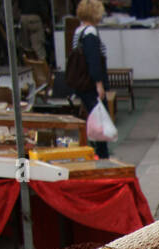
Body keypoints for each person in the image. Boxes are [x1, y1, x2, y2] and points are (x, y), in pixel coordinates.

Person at [73, 0, 111, 159]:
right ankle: (102, 154)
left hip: (82, 82)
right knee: (100, 117)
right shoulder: (90, 34)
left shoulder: (79, 31)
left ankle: (99, 151)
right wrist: (99, 84)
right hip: (90, 84)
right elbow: (93, 60)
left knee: (95, 117)